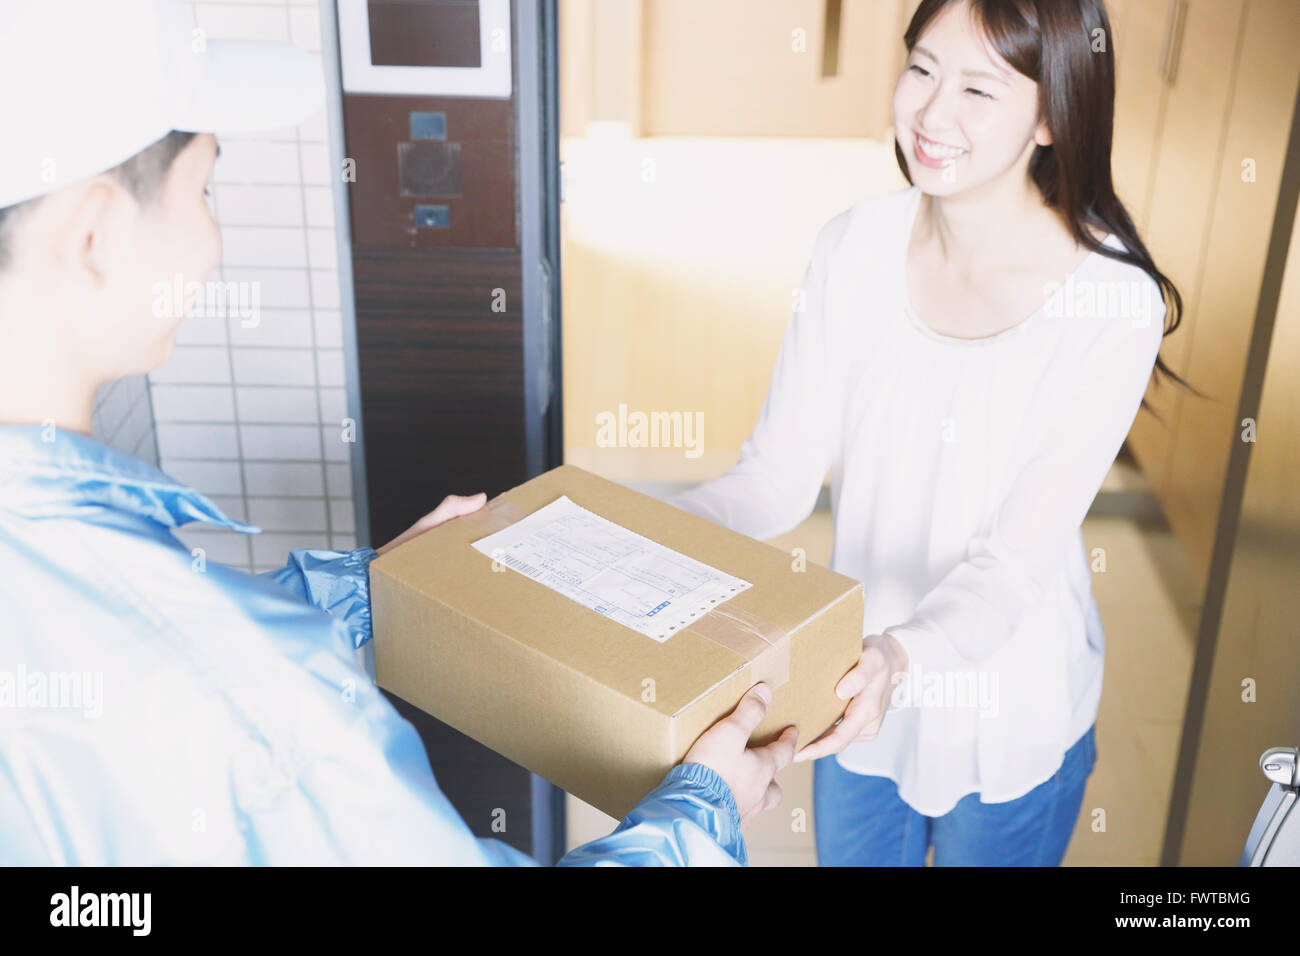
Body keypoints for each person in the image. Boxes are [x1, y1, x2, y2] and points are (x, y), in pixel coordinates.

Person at [0, 0, 798, 865]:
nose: (212, 239)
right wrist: (702, 809)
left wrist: (365, 590)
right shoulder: (249, 681)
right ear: (93, 234)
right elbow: (212, 681)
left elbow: (159, 682)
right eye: (203, 187)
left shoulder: (134, 615)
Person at [667, 0, 1186, 866]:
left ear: (1054, 115)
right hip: (856, 693)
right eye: (921, 69)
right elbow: (775, 479)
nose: (932, 114)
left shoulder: (1111, 303)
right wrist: (640, 540)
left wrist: (901, 658)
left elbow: (1013, 566)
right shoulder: (852, 248)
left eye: (980, 89)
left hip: (1008, 712)